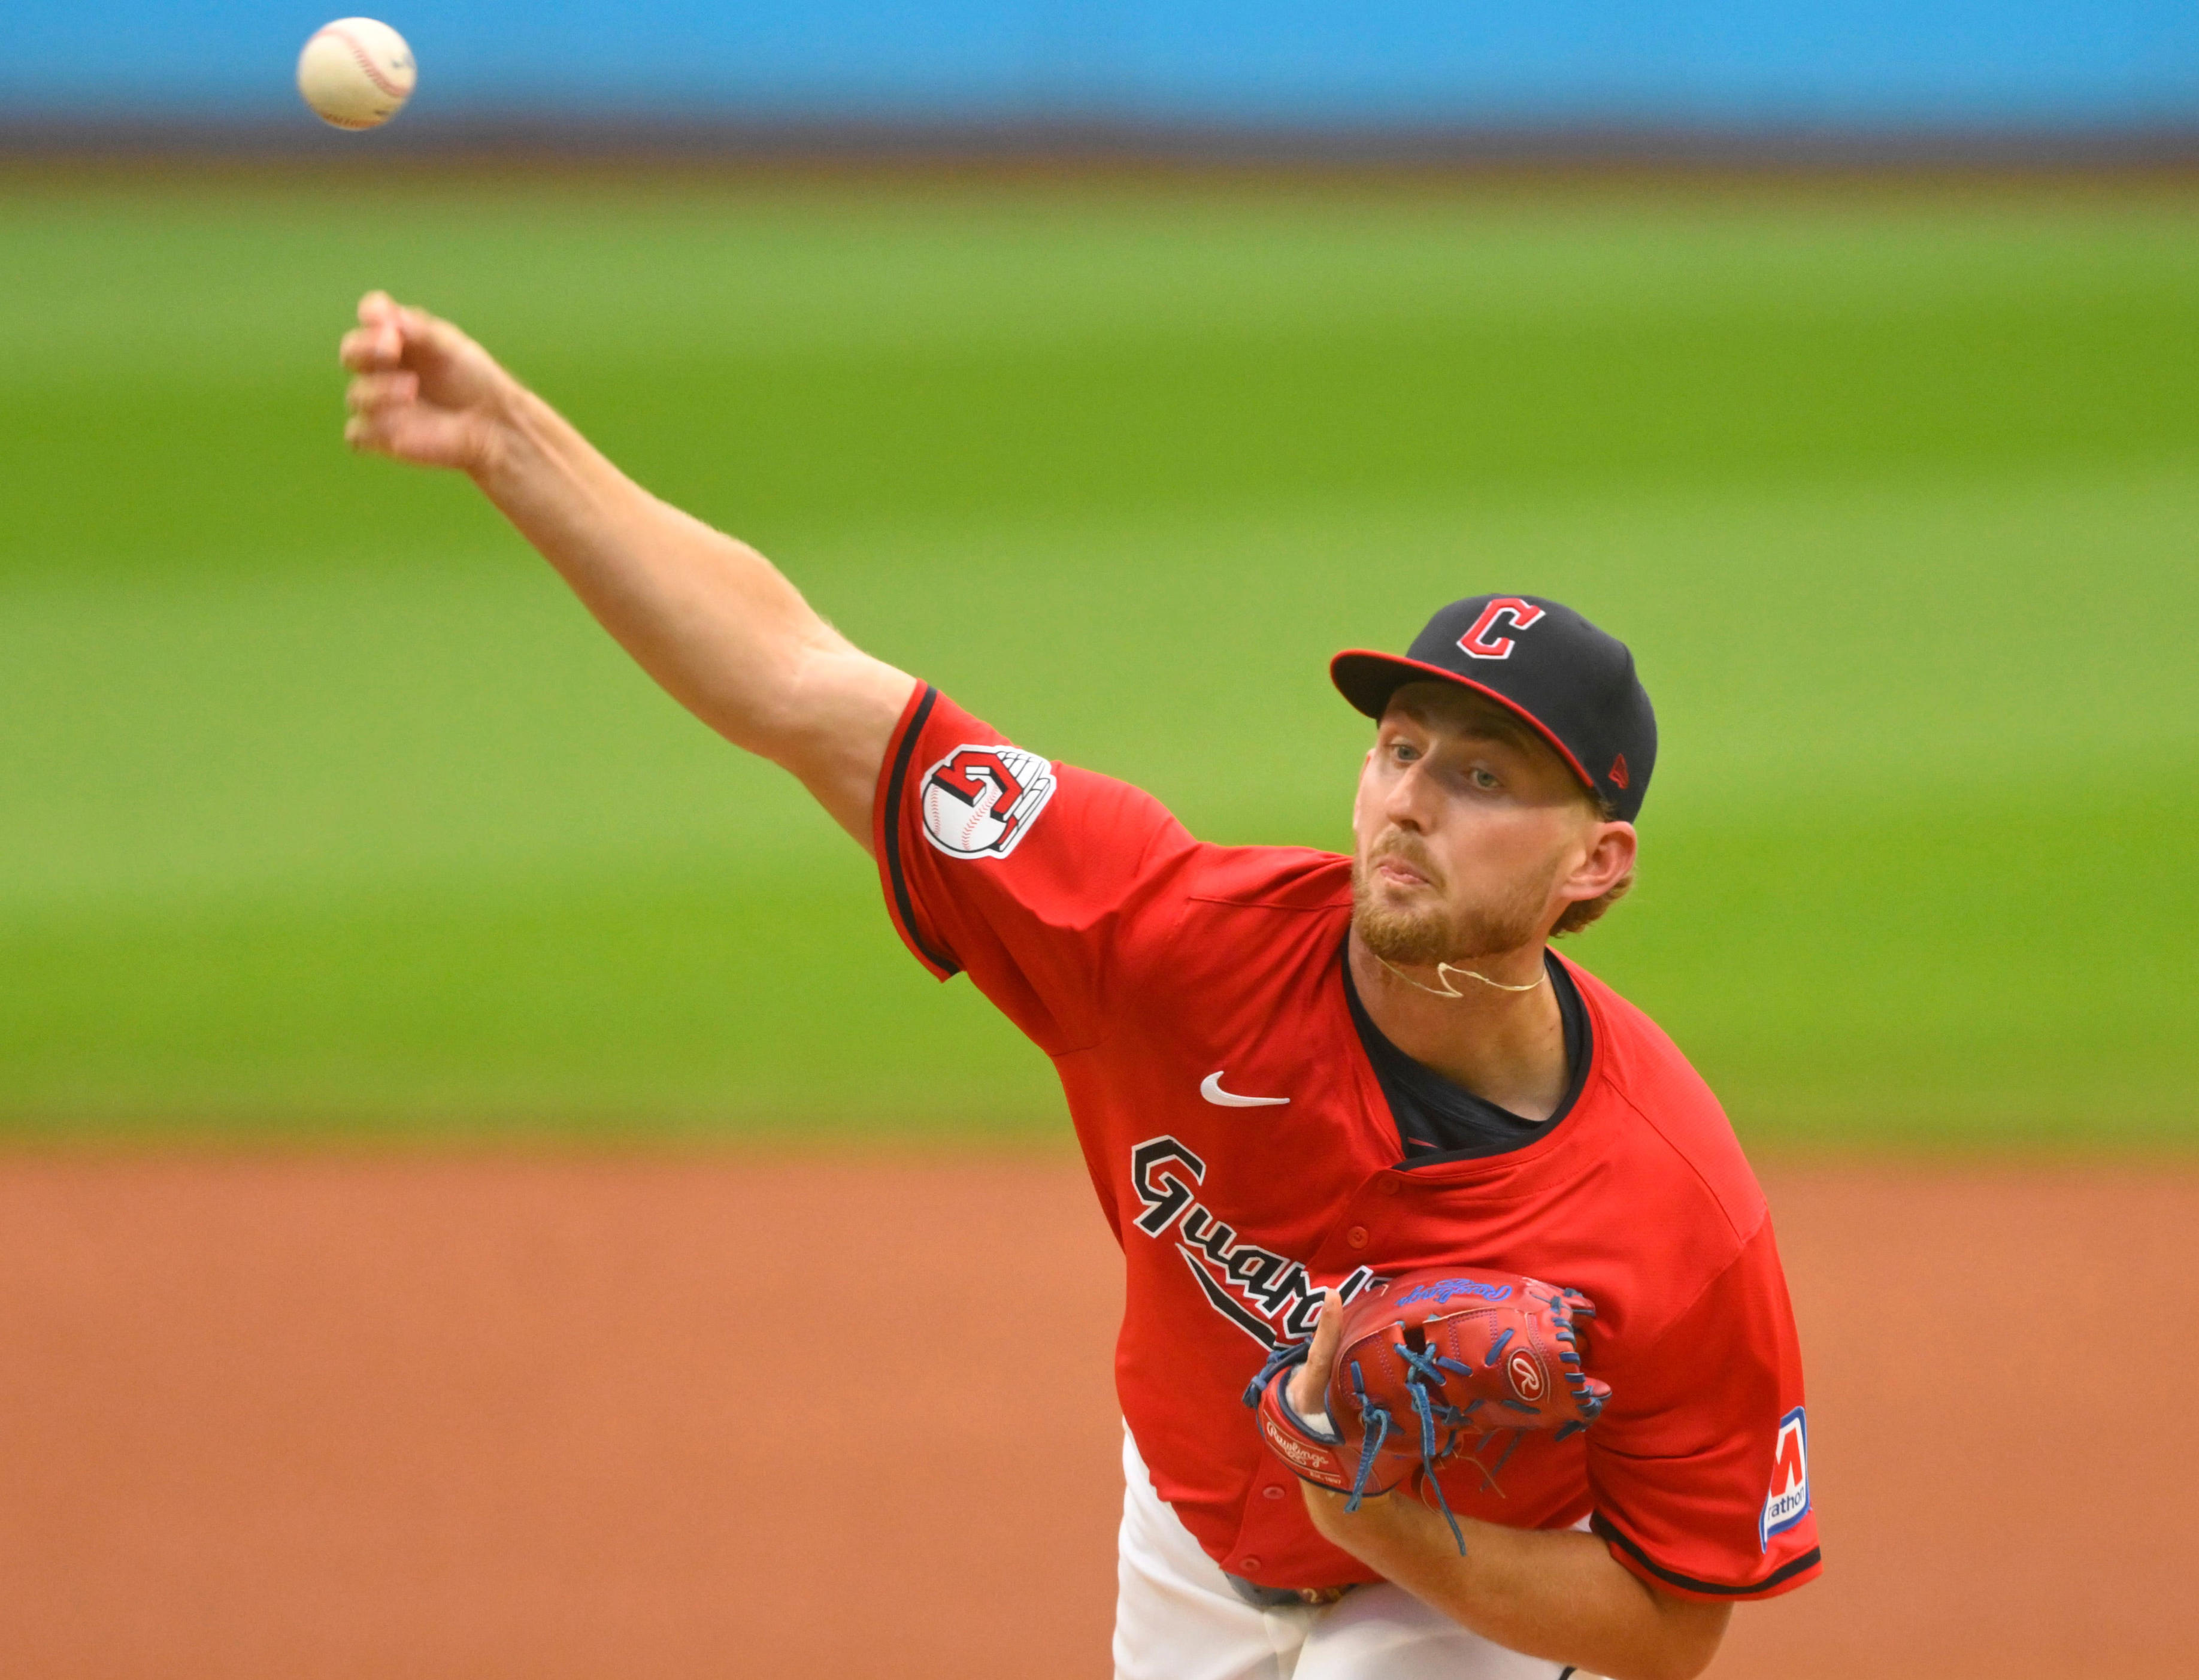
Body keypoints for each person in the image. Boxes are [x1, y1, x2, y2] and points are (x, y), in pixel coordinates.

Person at [339, 290, 1821, 1680]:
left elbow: (1676, 1620)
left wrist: (1381, 1522)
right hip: (1185, 1520)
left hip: (1461, 1590)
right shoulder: (1166, 931)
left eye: (1484, 775)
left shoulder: (1673, 1208)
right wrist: (510, 442)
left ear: (1597, 863)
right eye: (1401, 748)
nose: (1411, 799)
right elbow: (807, 688)